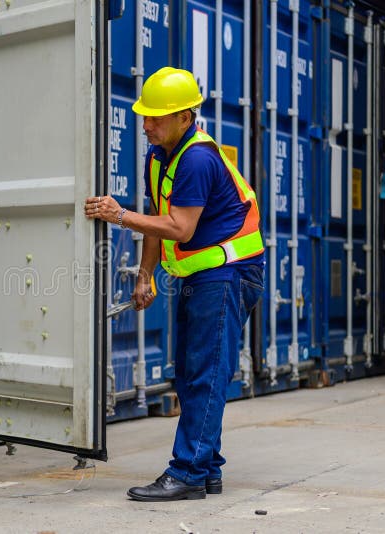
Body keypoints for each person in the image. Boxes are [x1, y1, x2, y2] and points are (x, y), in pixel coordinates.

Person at [84, 67, 265, 501]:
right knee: (189, 372)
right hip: (200, 274)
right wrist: (145, 275)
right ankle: (207, 468)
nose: (146, 124)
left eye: (156, 117)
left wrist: (118, 215)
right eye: (144, 116)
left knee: (205, 374)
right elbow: (157, 218)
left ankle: (187, 473)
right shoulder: (159, 156)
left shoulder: (198, 159)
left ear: (185, 117)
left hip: (228, 274)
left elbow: (180, 228)